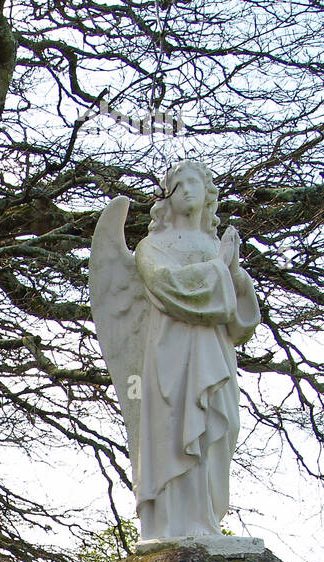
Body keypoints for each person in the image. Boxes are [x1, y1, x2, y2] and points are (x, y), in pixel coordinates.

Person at [133, 160, 260, 539]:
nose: (187, 189)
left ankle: (205, 521)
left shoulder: (215, 247)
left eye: (195, 182)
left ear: (208, 195)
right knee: (177, 431)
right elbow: (168, 286)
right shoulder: (152, 246)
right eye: (178, 185)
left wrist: (235, 275)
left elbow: (240, 325)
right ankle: (175, 524)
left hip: (214, 350)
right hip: (172, 351)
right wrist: (220, 269)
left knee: (220, 427)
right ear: (167, 199)